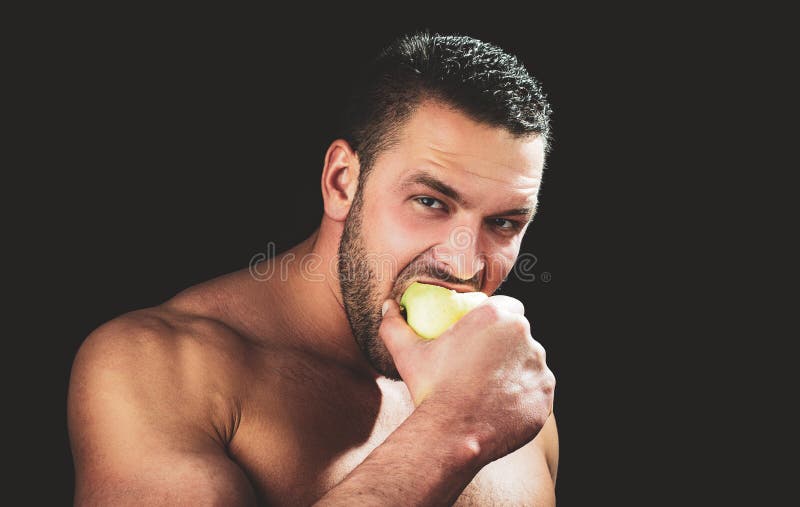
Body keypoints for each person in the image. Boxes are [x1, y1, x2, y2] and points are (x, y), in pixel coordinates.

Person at [68, 32, 558, 506]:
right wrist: (454, 428)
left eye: (504, 222)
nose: (464, 263)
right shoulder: (162, 367)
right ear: (342, 183)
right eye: (430, 201)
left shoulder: (513, 388)